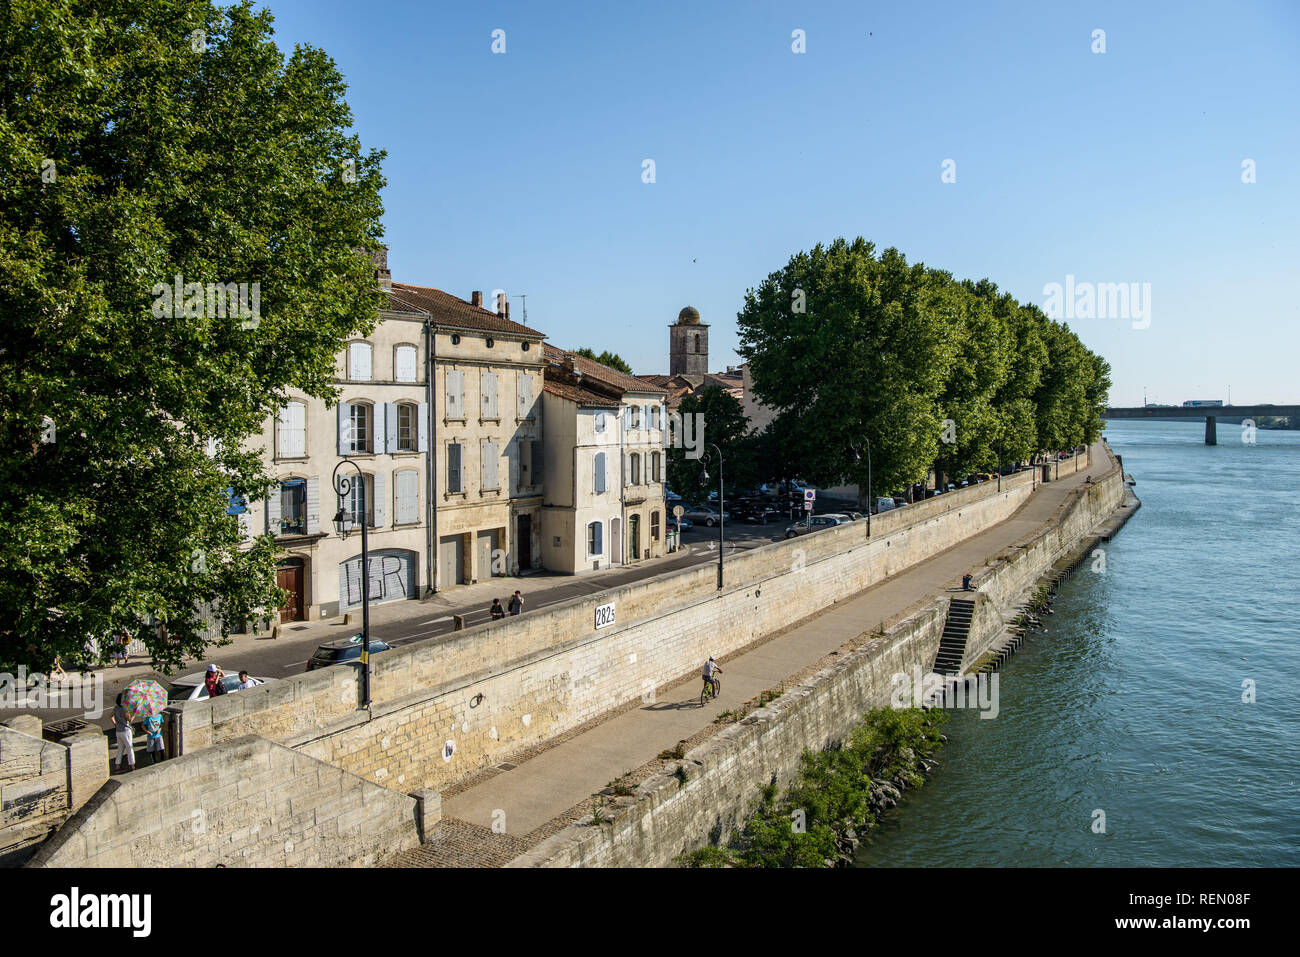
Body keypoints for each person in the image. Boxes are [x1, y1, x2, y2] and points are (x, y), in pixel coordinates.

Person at [112, 693, 135, 773]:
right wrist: (134, 713)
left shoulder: (115, 708)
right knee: (130, 748)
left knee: (120, 749)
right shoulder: (124, 709)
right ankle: (132, 766)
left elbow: (111, 717)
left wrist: (116, 724)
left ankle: (117, 766)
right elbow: (130, 720)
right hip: (126, 731)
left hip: (118, 731)